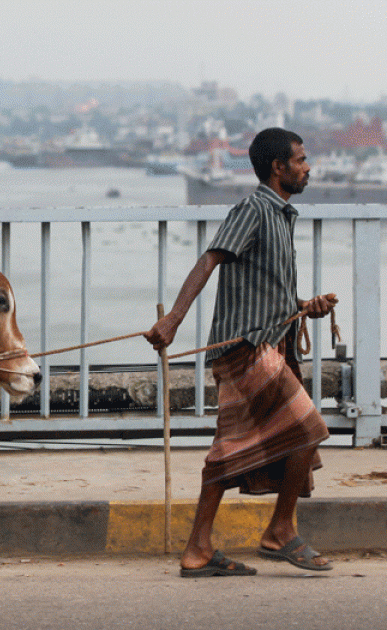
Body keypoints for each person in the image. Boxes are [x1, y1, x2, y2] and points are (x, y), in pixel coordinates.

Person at [145, 127, 338, 578]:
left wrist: (305, 306)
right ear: (278, 167)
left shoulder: (282, 216)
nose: (308, 167)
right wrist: (173, 320)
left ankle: (198, 548)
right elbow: (210, 259)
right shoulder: (252, 209)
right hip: (246, 348)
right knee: (306, 428)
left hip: (268, 343)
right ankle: (280, 531)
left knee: (233, 446)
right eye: (301, 160)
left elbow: (268, 293)